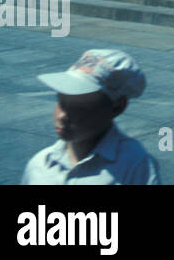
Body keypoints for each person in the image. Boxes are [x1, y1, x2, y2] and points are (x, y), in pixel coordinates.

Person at [23, 49, 160, 185]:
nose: (62, 115)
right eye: (61, 101)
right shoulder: (40, 164)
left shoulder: (135, 166)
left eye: (79, 106)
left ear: (117, 107)